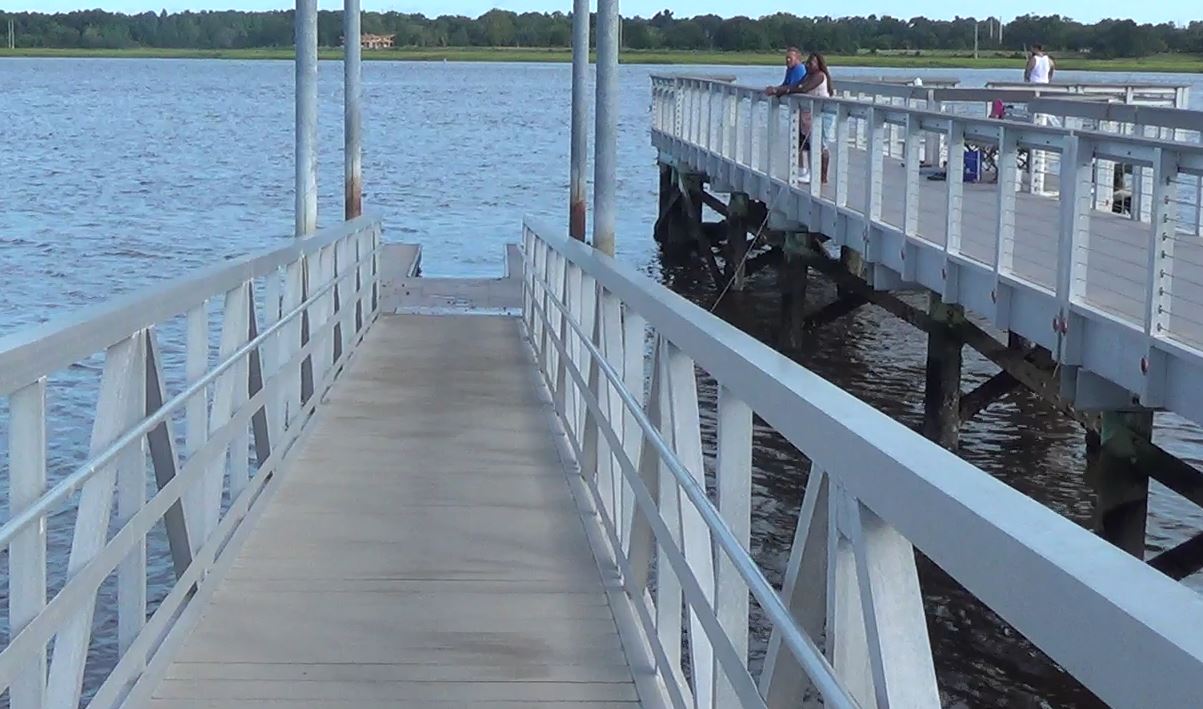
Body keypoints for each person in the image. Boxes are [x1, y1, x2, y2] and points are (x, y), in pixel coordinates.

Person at [778, 52, 834, 184]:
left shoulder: (820, 76)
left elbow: (803, 89)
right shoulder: (808, 76)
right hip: (811, 113)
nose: (808, 65)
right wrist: (779, 90)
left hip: (823, 113)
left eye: (812, 63)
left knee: (821, 144)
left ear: (819, 64)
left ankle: (822, 177)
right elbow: (796, 85)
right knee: (810, 143)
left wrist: (780, 90)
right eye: (807, 63)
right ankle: (810, 173)